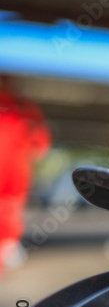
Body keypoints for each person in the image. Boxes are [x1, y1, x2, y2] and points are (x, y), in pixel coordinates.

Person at [0, 75, 49, 270]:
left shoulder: (23, 106)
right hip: (14, 166)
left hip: (15, 168)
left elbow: (40, 138)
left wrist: (36, 148)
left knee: (11, 207)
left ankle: (8, 245)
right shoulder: (21, 105)